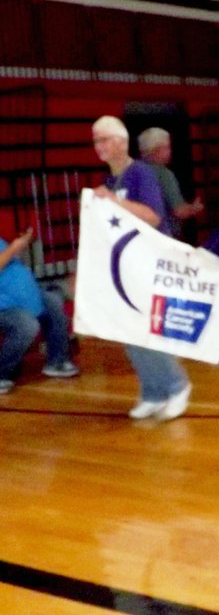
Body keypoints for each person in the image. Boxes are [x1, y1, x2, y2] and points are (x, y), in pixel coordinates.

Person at [92, 116, 192, 421]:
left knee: (148, 329)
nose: (99, 146)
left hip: (151, 262)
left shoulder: (142, 174)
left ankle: (177, 385)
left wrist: (112, 202)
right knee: (129, 330)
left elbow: (153, 217)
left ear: (121, 142)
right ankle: (152, 392)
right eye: (96, 140)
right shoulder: (110, 181)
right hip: (126, 266)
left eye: (104, 139)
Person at [0, 228, 79, 394]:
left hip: (22, 292)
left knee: (53, 302)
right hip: (5, 303)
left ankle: (57, 361)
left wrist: (18, 248)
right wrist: (14, 248)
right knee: (27, 326)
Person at [137, 127, 204, 239]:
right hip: (164, 239)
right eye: (167, 147)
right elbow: (179, 211)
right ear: (157, 149)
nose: (171, 151)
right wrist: (193, 208)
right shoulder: (164, 174)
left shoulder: (130, 171)